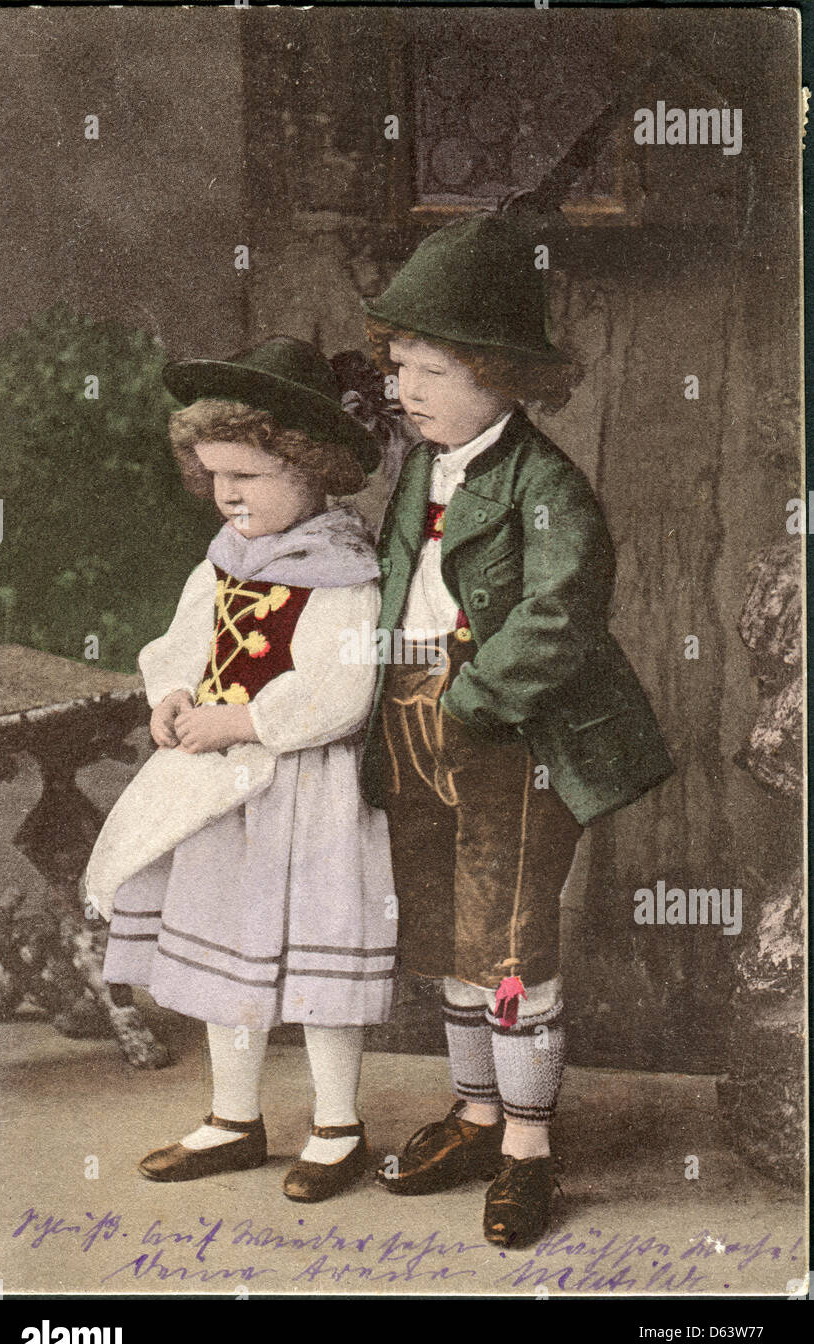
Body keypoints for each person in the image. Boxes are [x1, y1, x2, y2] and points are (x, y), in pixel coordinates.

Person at [359, 214, 674, 1246]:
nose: (407, 389)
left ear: (506, 375)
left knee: (507, 940)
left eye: (435, 369)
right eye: (401, 363)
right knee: (451, 924)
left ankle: (529, 1150)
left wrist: (465, 702)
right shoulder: (421, 467)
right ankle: (475, 1114)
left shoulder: (547, 487)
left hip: (514, 734)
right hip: (416, 717)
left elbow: (560, 618)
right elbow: (403, 587)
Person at [85, 336, 396, 1203]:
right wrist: (173, 695)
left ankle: (337, 1127)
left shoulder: (342, 579)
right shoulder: (223, 562)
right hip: (223, 794)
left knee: (317, 964)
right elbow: (183, 642)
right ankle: (233, 1117)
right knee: (229, 952)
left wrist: (246, 720)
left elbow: (341, 692)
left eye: (249, 476)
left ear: (310, 469)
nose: (227, 494)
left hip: (311, 793)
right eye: (215, 475)